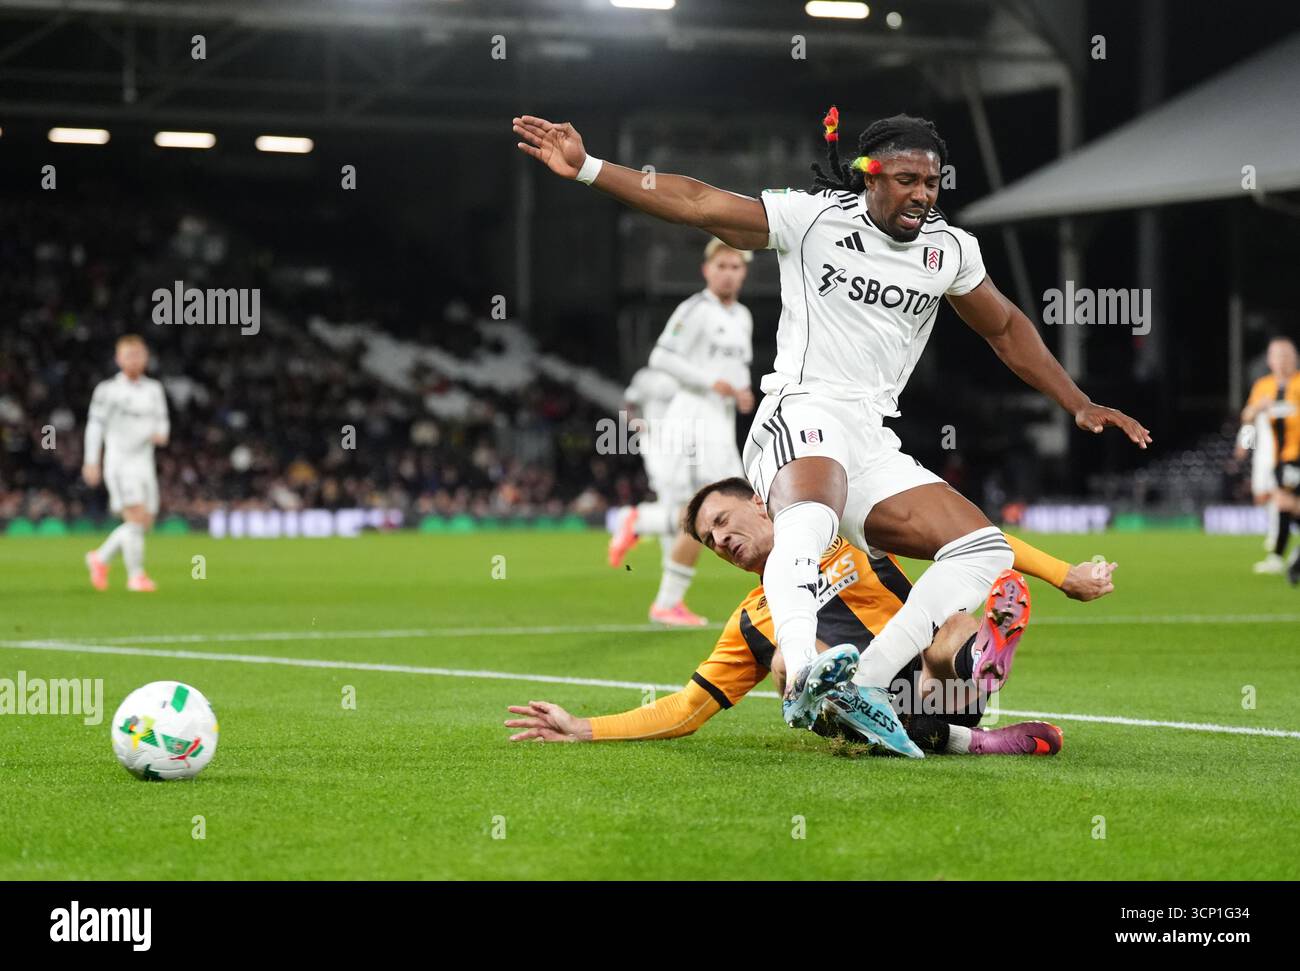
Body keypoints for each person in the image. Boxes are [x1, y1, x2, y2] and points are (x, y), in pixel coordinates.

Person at [512, 107, 1149, 754]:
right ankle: (805, 672)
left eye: (932, 182)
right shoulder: (812, 218)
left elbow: (1006, 328)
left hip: (870, 434)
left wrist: (1077, 401)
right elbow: (700, 202)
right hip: (801, 410)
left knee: (981, 547)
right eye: (907, 179)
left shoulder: (948, 250)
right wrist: (589, 168)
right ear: (869, 175)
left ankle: (865, 686)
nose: (923, 194)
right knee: (810, 520)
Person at [505, 477, 1117, 757]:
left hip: (935, 683)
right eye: (709, 541)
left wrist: (1067, 576)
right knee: (783, 660)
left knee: (948, 620)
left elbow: (976, 540)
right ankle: (973, 730)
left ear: (757, 500)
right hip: (868, 720)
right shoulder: (752, 617)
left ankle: (981, 664)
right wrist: (583, 728)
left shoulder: (853, 528)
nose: (720, 541)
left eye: (722, 522)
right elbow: (687, 708)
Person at [607, 239, 756, 626]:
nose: (729, 273)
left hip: (720, 420)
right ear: (707, 270)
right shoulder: (694, 310)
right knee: (713, 508)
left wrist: (740, 392)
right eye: (722, 266)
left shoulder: (741, 316)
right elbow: (661, 357)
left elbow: (734, 368)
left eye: (736, 267)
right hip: (692, 419)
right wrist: (712, 382)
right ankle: (662, 586)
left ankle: (643, 528)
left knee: (726, 505)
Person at [82, 335, 169, 592]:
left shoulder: (154, 389)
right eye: (129, 355)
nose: (135, 359)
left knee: (145, 523)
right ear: (118, 359)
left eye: (139, 354)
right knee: (135, 517)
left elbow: (162, 419)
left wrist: (162, 432)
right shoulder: (107, 391)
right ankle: (136, 576)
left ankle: (100, 558)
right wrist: (91, 461)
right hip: (120, 462)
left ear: (146, 357)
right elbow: (94, 427)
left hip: (145, 462)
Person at [1236, 337, 1300, 578]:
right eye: (1278, 355)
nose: (1283, 360)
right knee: (1278, 501)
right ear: (1270, 360)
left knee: (1283, 502)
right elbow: (1247, 416)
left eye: (1287, 355)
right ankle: (1278, 555)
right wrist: (1257, 409)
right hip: (1279, 457)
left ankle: (1277, 555)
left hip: (1295, 455)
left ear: (1295, 358)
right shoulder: (1263, 386)